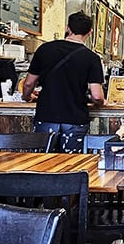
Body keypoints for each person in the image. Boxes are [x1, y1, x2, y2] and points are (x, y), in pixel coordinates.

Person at [22, 10, 105, 152]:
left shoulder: (45, 49)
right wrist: (101, 102)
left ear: (68, 28)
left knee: (42, 164)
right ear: (90, 32)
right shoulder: (92, 58)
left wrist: (27, 96)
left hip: (46, 116)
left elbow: (29, 83)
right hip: (75, 120)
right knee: (70, 166)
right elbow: (97, 96)